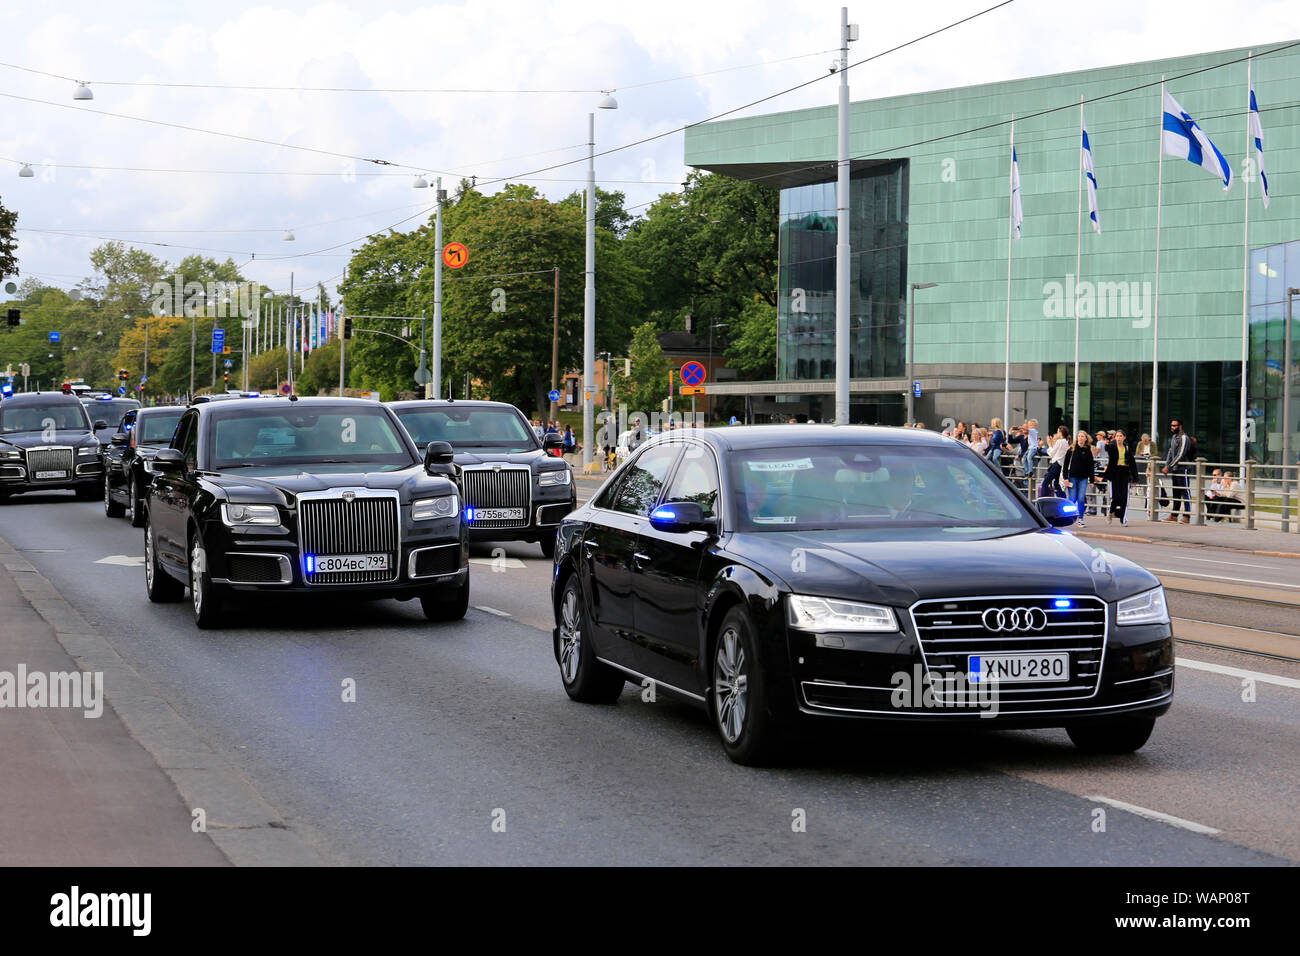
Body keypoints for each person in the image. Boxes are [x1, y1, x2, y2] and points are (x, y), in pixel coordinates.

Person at [1103, 429, 1137, 525]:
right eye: (1117, 436)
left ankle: (1123, 519)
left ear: (1124, 437)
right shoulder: (1113, 446)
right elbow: (1108, 449)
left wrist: (1135, 478)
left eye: (1120, 436)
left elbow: (1132, 463)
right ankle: (1110, 513)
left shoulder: (1127, 448)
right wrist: (1106, 444)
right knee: (1116, 497)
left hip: (1125, 472)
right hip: (1115, 473)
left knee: (1124, 497)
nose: (1119, 438)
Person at [1162, 418, 1193, 522]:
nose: (1172, 427)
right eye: (1171, 425)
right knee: (1176, 492)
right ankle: (1174, 515)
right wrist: (1167, 465)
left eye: (1174, 425)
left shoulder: (1184, 438)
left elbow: (1180, 455)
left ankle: (1187, 516)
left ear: (1180, 426)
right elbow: (1171, 452)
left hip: (1183, 469)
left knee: (1185, 492)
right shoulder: (1174, 437)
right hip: (1175, 469)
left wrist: (1168, 467)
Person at [1062, 430, 1095, 527]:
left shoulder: (1088, 450)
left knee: (1081, 498)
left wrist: (1092, 480)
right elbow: (1066, 464)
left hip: (1083, 478)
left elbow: (1090, 466)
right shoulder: (1071, 449)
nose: (1080, 438)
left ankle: (1080, 518)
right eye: (1079, 436)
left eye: (1082, 436)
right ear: (1077, 438)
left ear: (1086, 438)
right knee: (1072, 498)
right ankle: (1069, 517)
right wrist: (1065, 477)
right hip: (1072, 477)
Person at [1043, 425, 1069, 497]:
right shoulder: (1065, 442)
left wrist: (1049, 444)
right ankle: (1063, 501)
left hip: (1056, 465)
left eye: (1058, 432)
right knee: (1057, 485)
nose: (1057, 433)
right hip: (1060, 465)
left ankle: (1043, 502)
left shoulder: (1060, 441)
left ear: (1060, 433)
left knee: (1045, 483)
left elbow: (1052, 453)